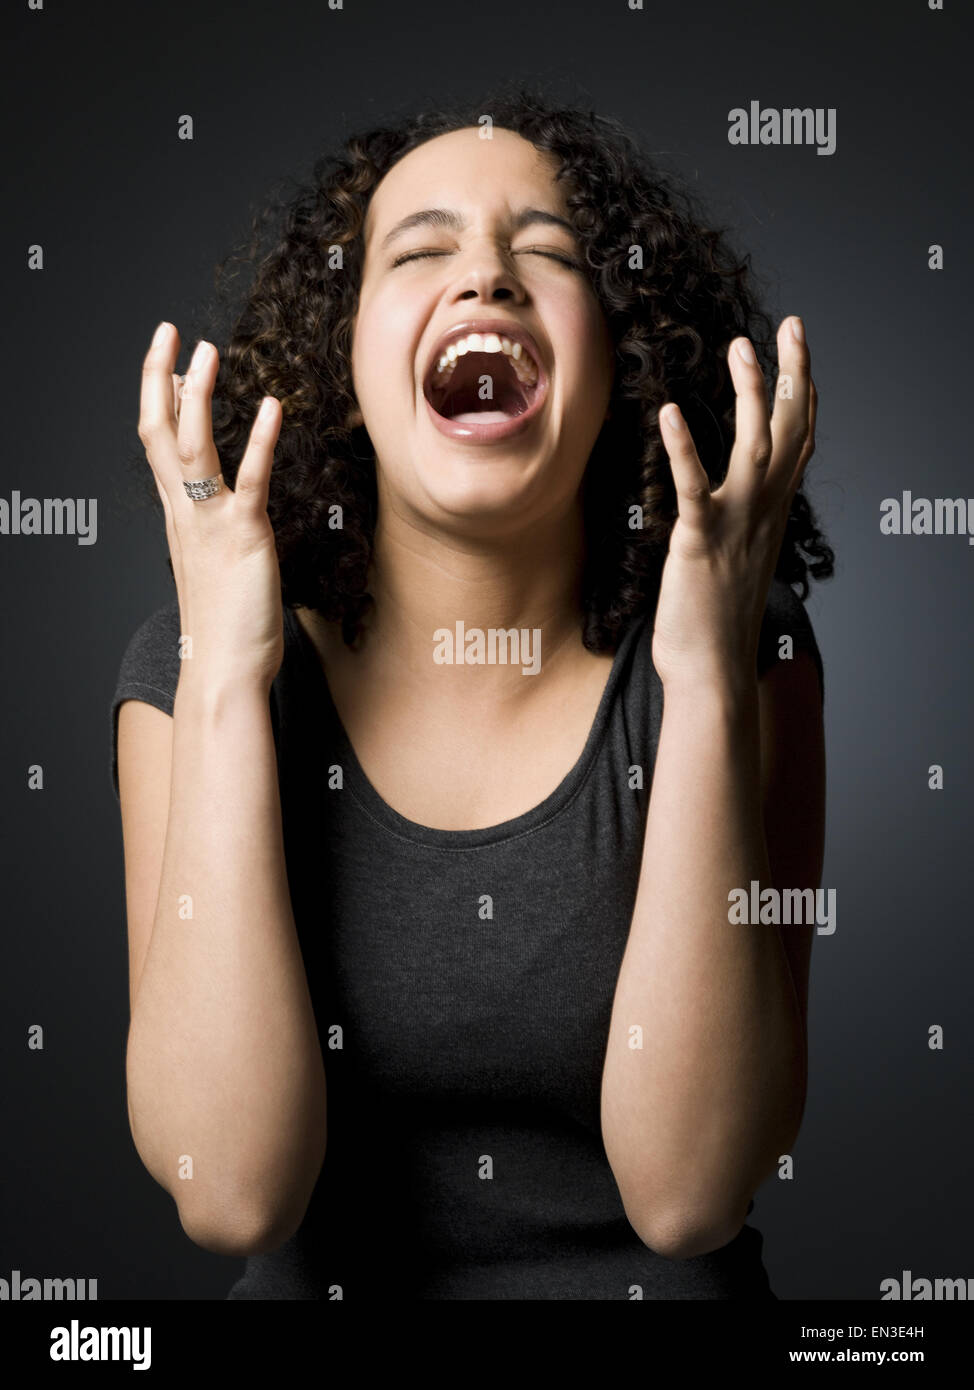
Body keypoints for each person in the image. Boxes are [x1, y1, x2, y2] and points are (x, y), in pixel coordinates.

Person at [111, 89, 831, 1300]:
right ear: (341, 359)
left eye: (547, 254)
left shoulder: (741, 650)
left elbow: (691, 1194)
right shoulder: (189, 668)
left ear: (623, 356)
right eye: (423, 249)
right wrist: (226, 680)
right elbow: (229, 1188)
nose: (486, 278)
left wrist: (705, 683)